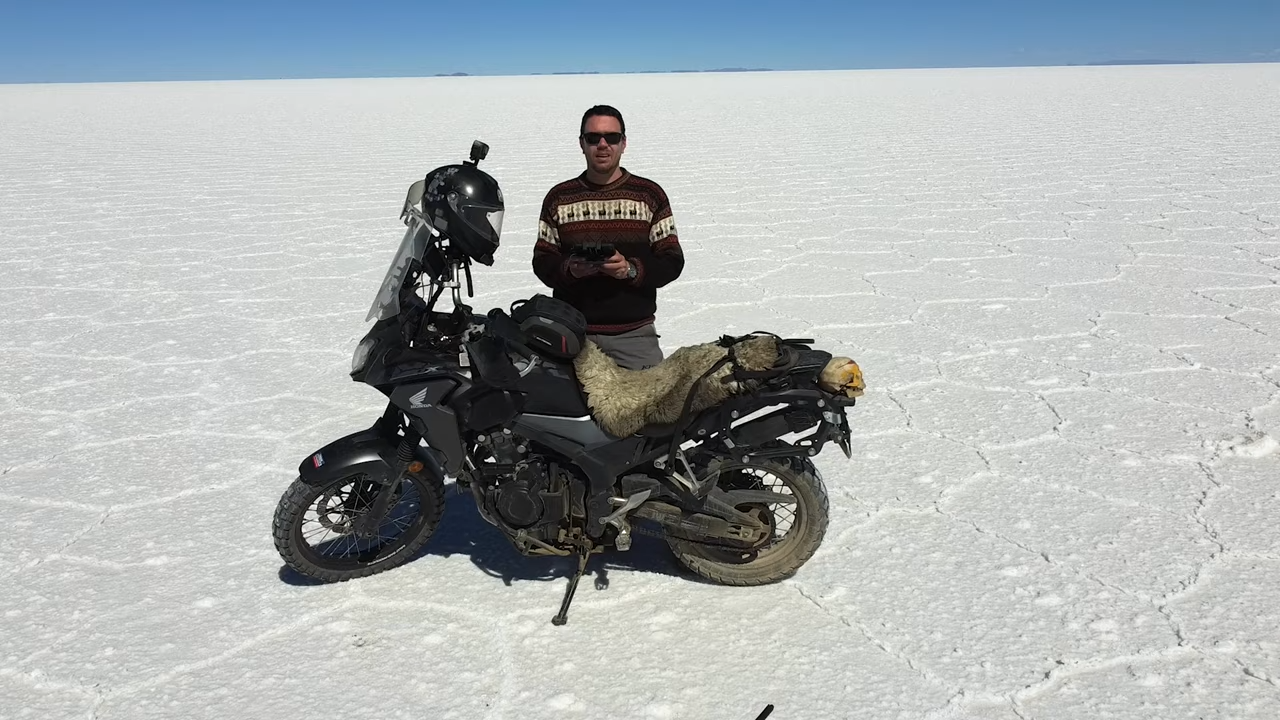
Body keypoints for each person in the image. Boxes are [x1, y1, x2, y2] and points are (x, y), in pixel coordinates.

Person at [532, 105, 684, 371]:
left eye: (611, 137)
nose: (602, 145)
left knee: (651, 397)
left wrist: (630, 269)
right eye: (593, 138)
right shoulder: (559, 198)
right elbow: (543, 260)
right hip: (572, 335)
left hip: (634, 338)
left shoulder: (649, 195)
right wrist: (570, 269)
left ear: (623, 143)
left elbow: (672, 260)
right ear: (582, 144)